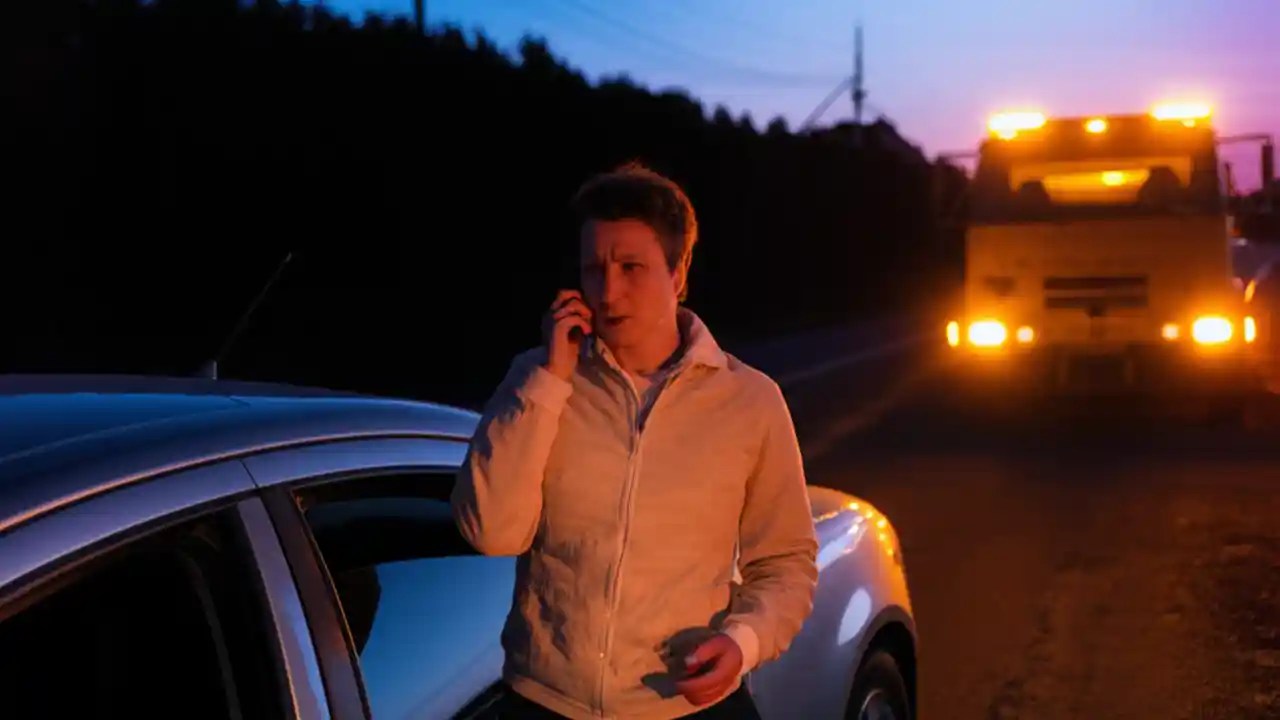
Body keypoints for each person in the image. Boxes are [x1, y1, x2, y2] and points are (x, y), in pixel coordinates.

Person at [452, 162, 818, 719]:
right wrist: (549, 380)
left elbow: (786, 563)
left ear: (679, 273)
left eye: (631, 267)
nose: (608, 291)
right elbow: (492, 532)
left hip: (685, 705)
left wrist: (743, 644)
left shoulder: (749, 401)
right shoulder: (540, 381)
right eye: (593, 269)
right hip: (543, 704)